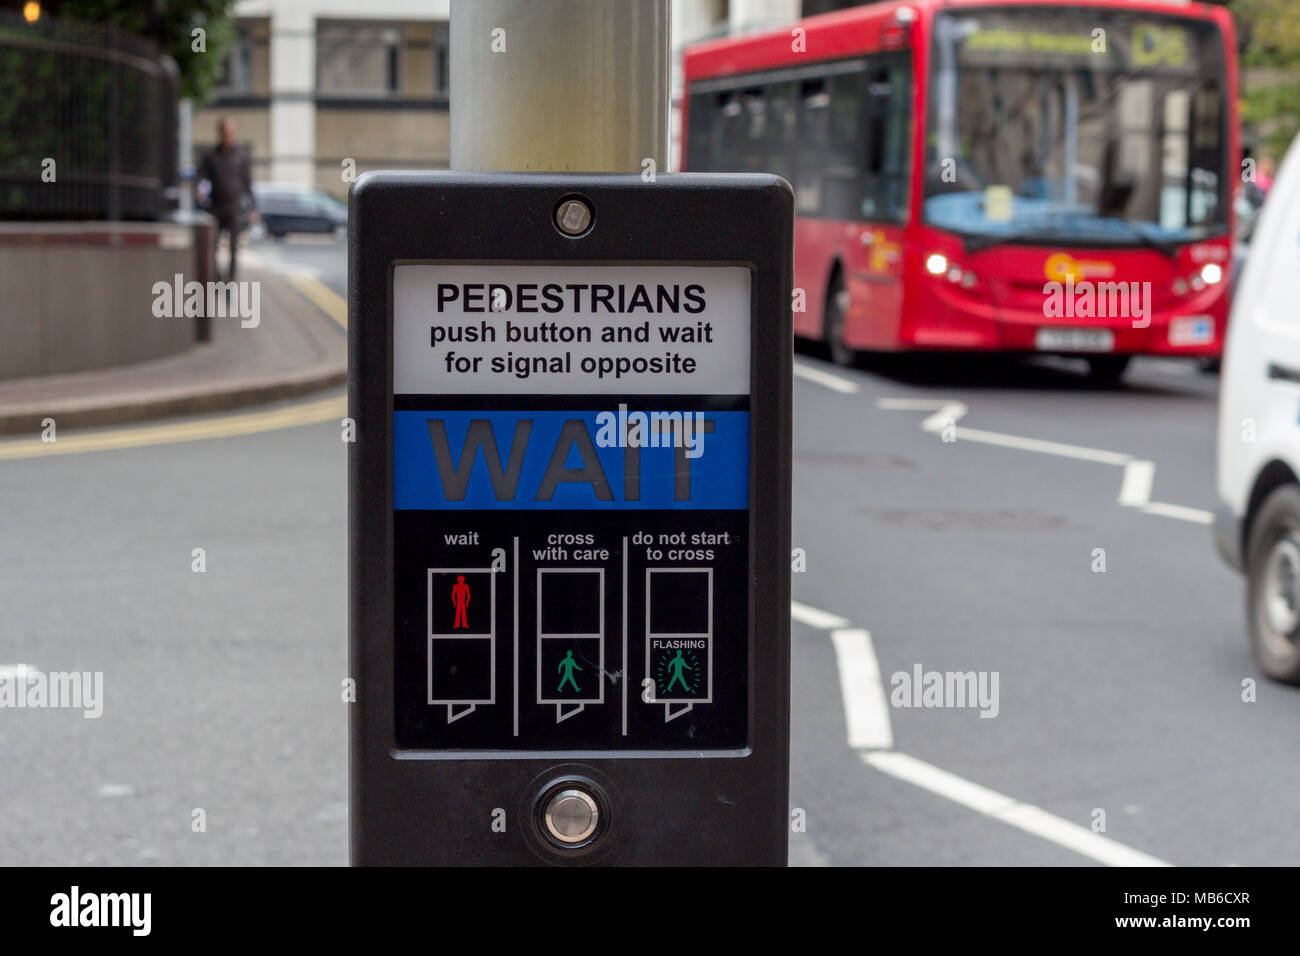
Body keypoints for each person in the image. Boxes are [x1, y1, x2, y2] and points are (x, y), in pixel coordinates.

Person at [197, 117, 257, 281]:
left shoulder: (241, 156)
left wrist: (253, 208)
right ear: (220, 133)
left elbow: (248, 185)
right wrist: (199, 190)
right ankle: (216, 279)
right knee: (212, 247)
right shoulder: (210, 155)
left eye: (230, 132)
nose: (227, 135)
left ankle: (230, 281)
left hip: (234, 209)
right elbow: (201, 176)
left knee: (233, 248)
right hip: (216, 207)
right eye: (224, 132)